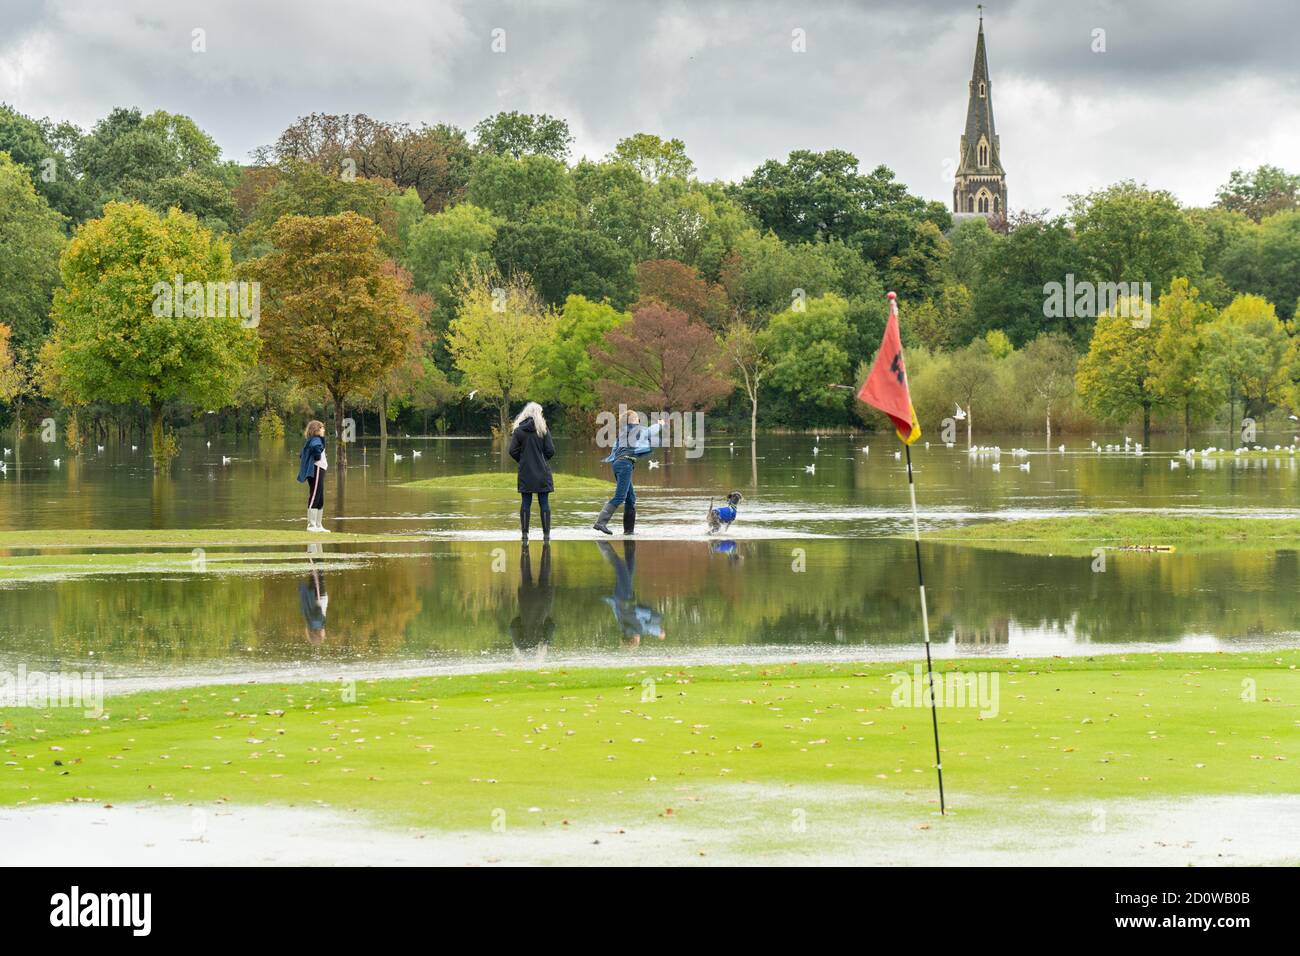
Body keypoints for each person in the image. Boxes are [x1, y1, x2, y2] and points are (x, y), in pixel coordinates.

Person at [593, 410, 661, 535]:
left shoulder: (623, 432)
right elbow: (649, 432)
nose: (638, 421)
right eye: (636, 419)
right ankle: (601, 522)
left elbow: (615, 450)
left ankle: (629, 531)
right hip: (624, 465)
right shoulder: (634, 430)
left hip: (619, 464)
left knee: (630, 498)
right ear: (631, 421)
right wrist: (659, 424)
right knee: (620, 496)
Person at [508, 402, 555, 541]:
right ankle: (546, 535)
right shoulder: (543, 430)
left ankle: (524, 534)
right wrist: (542, 461)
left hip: (525, 472)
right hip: (542, 472)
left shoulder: (518, 431)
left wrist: (523, 461)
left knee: (525, 502)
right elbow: (551, 451)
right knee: (544, 502)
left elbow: (512, 451)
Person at [297, 420, 329, 532]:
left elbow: (302, 454)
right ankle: (311, 525)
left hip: (320, 469)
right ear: (316, 429)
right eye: (322, 428)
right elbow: (316, 449)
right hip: (317, 469)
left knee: (320, 497)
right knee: (315, 495)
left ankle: (319, 525)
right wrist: (317, 456)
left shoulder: (315, 439)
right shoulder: (315, 439)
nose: (324, 430)